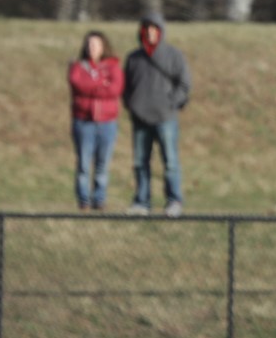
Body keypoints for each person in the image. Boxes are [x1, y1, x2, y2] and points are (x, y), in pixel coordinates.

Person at [122, 12, 191, 217]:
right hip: (140, 119)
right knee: (140, 162)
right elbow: (125, 87)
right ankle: (142, 201)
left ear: (161, 31)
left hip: (166, 118)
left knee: (170, 162)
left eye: (155, 29)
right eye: (147, 29)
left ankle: (174, 200)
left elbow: (185, 84)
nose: (151, 33)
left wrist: (170, 104)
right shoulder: (134, 58)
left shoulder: (174, 55)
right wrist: (131, 105)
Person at [67, 30, 124, 212]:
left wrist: (93, 85)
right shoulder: (77, 66)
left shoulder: (113, 67)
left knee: (102, 165)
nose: (92, 48)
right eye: (89, 44)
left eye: (96, 44)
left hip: (107, 123)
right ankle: (83, 200)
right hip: (84, 122)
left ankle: (99, 199)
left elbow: (115, 89)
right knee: (84, 164)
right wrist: (101, 84)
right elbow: (78, 84)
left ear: (103, 47)